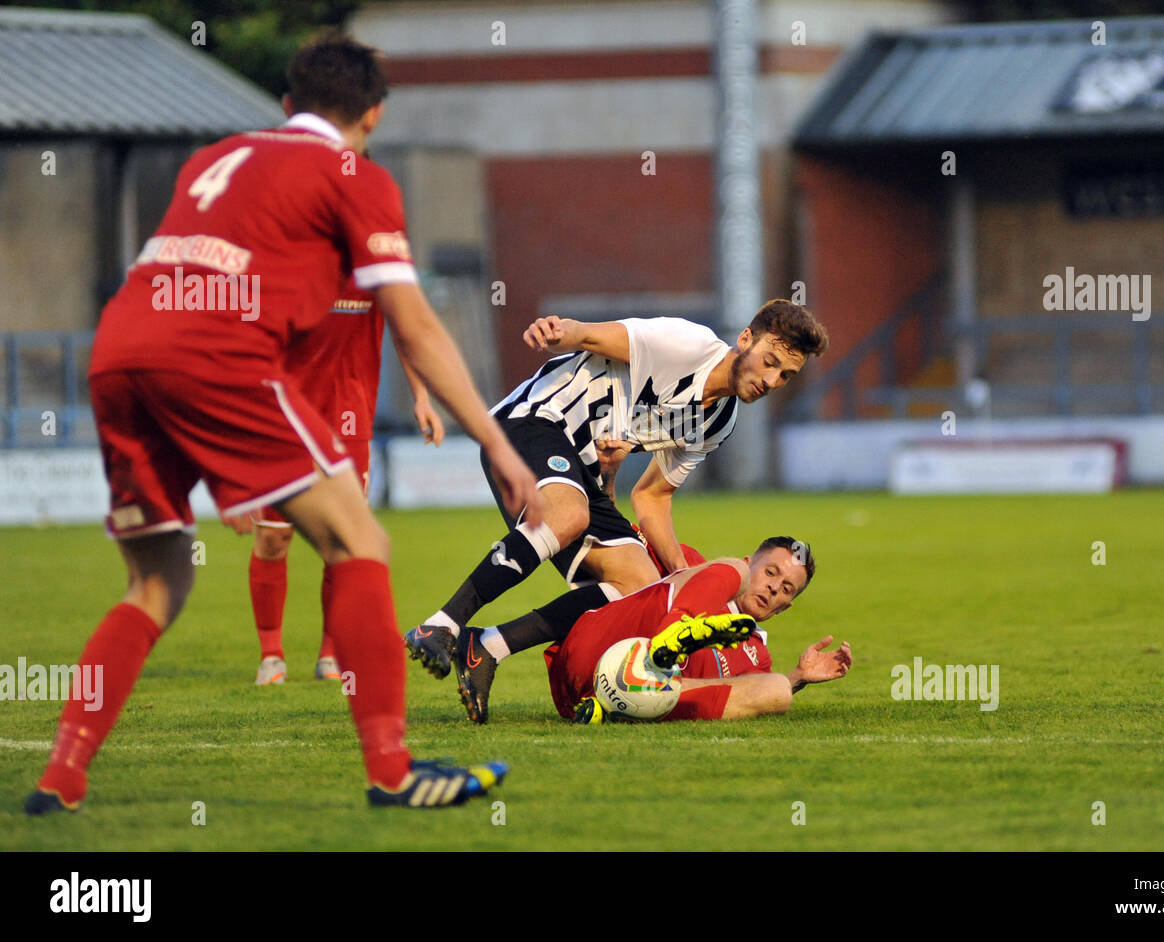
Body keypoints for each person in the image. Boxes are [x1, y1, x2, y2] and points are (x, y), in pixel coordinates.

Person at [24, 33, 539, 815]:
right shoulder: (356, 176)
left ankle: (61, 777)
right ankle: (393, 772)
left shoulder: (216, 158)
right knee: (360, 541)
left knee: (157, 580)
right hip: (218, 356)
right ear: (374, 114)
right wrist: (496, 441)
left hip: (119, 349)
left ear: (289, 104)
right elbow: (416, 323)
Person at [405, 303, 830, 706]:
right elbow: (589, 337)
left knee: (640, 587)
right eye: (770, 362)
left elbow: (652, 497)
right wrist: (556, 331)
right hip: (535, 420)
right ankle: (442, 624)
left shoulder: (718, 422)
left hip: (584, 472)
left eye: (786, 376)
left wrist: (683, 579)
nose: (771, 380)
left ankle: (486, 646)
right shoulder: (689, 345)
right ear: (745, 339)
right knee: (569, 516)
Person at [249, 279, 444, 686]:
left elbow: (406, 330)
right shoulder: (290, 264)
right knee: (272, 537)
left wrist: (422, 397)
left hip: (349, 417)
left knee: (343, 540)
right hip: (284, 416)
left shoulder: (373, 267)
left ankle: (329, 653)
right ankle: (271, 655)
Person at [546, 537, 852, 723]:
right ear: (750, 563)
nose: (773, 587)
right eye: (770, 572)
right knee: (728, 570)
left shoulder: (757, 657)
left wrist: (797, 678)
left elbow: (745, 696)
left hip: (596, 701)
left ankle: (624, 700)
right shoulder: (696, 565)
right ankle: (672, 634)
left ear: (784, 607)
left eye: (786, 589)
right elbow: (613, 537)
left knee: (778, 690)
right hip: (595, 652)